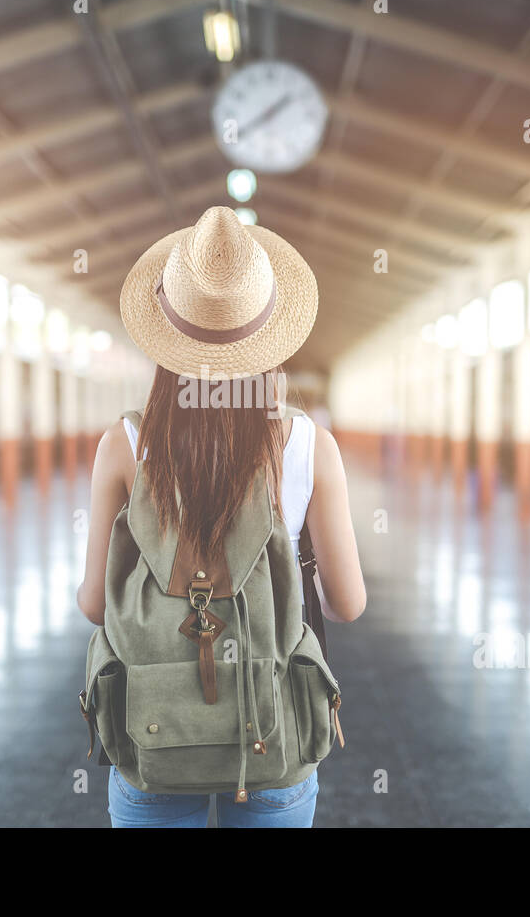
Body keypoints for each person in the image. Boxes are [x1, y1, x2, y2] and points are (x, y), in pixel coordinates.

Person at [76, 206, 366, 827]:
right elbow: (348, 602)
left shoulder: (123, 447)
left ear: (164, 342)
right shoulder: (308, 447)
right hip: (274, 736)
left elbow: (97, 605)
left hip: (153, 738)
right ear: (269, 344)